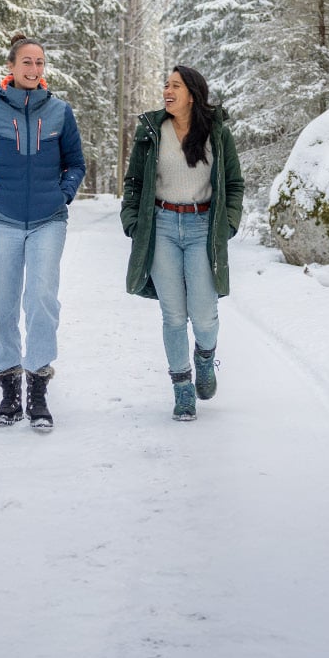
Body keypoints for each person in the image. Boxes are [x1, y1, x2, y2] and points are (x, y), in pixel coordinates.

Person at [0, 34, 86, 430]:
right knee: (3, 303)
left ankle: (39, 389)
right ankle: (9, 390)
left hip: (49, 220)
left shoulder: (60, 112)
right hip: (2, 222)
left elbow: (76, 164)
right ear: (11, 68)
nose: (34, 69)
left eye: (40, 63)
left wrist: (62, 194)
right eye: (27, 62)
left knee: (42, 300)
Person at [120, 65, 244, 420]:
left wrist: (228, 224)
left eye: (175, 85)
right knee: (173, 315)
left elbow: (234, 184)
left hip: (203, 227)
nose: (167, 91)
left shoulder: (217, 133)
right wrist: (132, 223)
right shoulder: (151, 131)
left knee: (204, 314)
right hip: (161, 226)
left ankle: (205, 357)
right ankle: (182, 388)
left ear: (192, 93)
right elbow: (133, 183)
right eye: (165, 85)